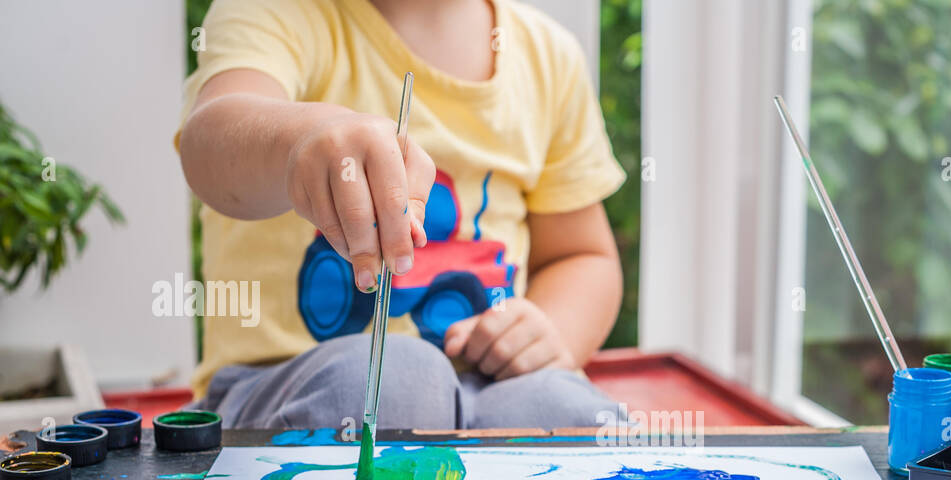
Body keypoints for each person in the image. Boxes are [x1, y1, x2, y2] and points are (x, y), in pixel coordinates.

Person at [177, 0, 626, 430]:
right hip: (283, 391)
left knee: (570, 412)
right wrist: (303, 139)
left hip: (491, 389)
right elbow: (211, 139)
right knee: (399, 378)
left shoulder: (548, 55)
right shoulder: (275, 12)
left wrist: (550, 331)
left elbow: (581, 255)